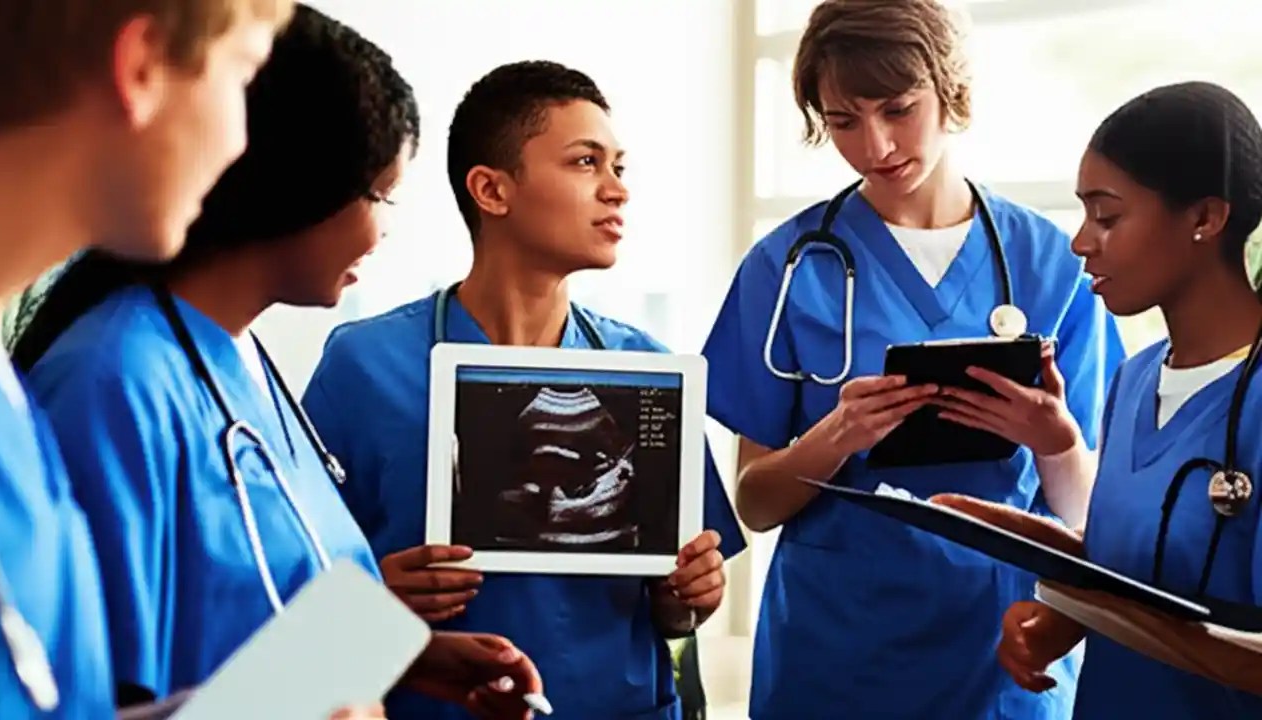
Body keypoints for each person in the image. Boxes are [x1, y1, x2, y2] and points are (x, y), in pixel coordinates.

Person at [12, 6, 542, 718]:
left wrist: (401, 654)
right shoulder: (113, 383)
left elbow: (254, 612)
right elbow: (99, 694)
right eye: (381, 195)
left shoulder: (248, 366)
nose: (384, 231)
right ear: (300, 176)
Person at [698, 1, 1126, 717]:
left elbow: (1088, 511)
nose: (876, 145)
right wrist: (838, 435)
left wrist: (1052, 439)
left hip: (1002, 652)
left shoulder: (1049, 261)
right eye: (843, 122)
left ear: (948, 88)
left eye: (899, 109)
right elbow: (756, 501)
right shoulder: (790, 267)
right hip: (839, 651)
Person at [300, 59, 748, 720]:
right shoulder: (363, 367)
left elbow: (678, 614)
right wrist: (373, 597)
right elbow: (290, 597)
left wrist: (690, 595)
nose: (616, 190)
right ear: (491, 189)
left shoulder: (651, 372)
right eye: (585, 162)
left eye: (619, 167)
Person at [0, 0, 290, 717]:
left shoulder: (3, 384)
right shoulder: (101, 369)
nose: (242, 140)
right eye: (242, 74)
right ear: (142, 66)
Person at [962, 81, 1262, 718]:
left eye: (1107, 216)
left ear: (1206, 219)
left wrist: (1099, 609)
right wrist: (1062, 621)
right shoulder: (1133, 381)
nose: (1080, 241)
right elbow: (1131, 566)